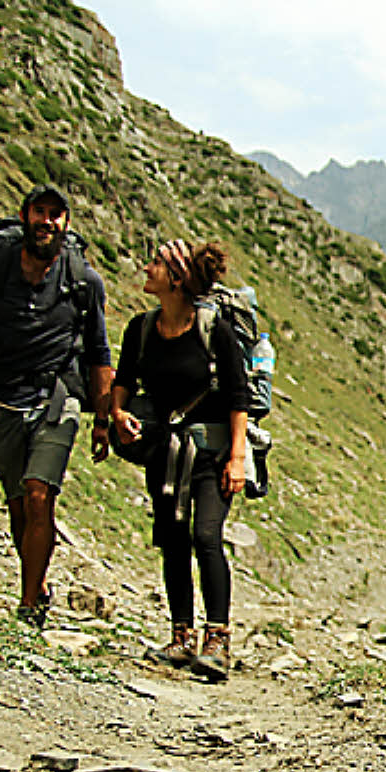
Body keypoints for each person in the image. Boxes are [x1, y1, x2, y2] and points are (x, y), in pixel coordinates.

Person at [0, 184, 113, 626]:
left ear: (66, 223)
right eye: (39, 212)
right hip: (2, 397)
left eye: (56, 214)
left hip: (57, 397)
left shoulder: (84, 281)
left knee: (41, 495)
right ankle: (36, 579)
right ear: (24, 217)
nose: (47, 221)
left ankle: (28, 609)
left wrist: (102, 420)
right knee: (20, 503)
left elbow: (100, 354)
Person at [111, 240, 247, 682]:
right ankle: (182, 637)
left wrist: (238, 457)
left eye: (155, 263)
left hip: (212, 452)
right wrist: (116, 413)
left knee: (206, 535)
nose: (145, 269)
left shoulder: (215, 331)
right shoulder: (142, 329)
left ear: (176, 278)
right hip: (166, 453)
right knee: (172, 537)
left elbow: (237, 396)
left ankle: (218, 639)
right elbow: (125, 381)